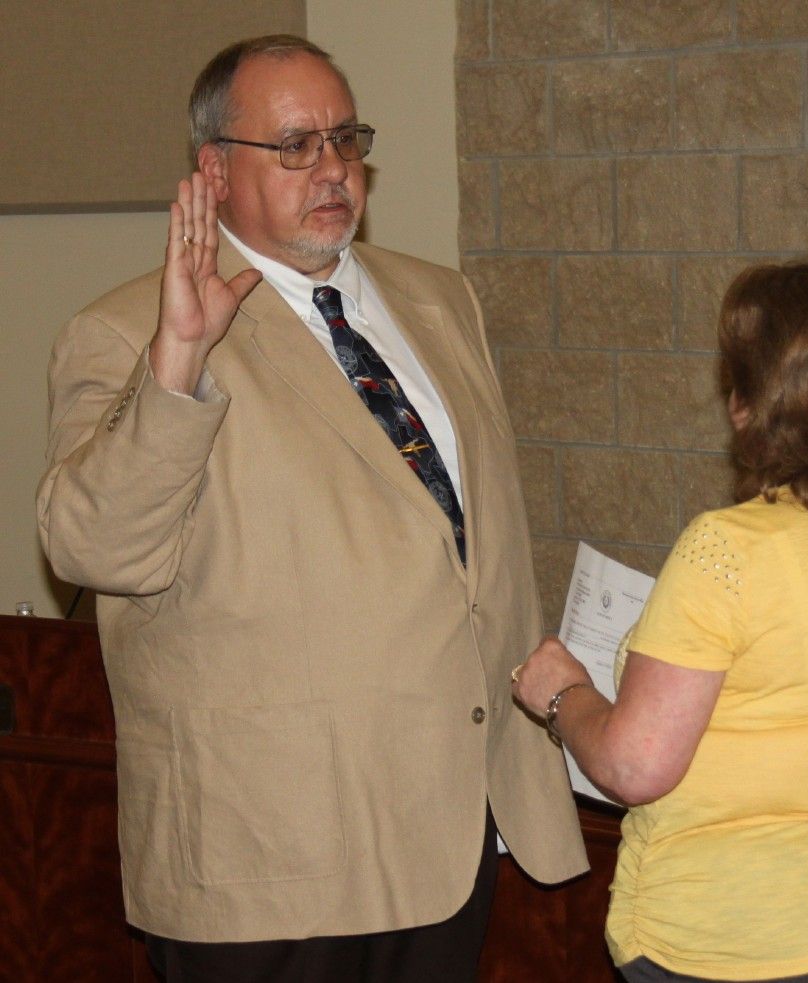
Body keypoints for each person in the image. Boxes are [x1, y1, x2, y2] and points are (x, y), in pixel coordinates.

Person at [37, 34, 586, 983]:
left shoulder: (439, 299)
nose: (332, 168)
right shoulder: (124, 330)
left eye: (345, 138)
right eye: (294, 145)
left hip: (449, 831)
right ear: (213, 171)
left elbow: (458, 543)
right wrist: (178, 362)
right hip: (268, 859)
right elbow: (91, 546)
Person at [513, 257, 808, 982]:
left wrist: (562, 693)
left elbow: (635, 763)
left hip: (760, 940)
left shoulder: (729, 550)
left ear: (760, 403)